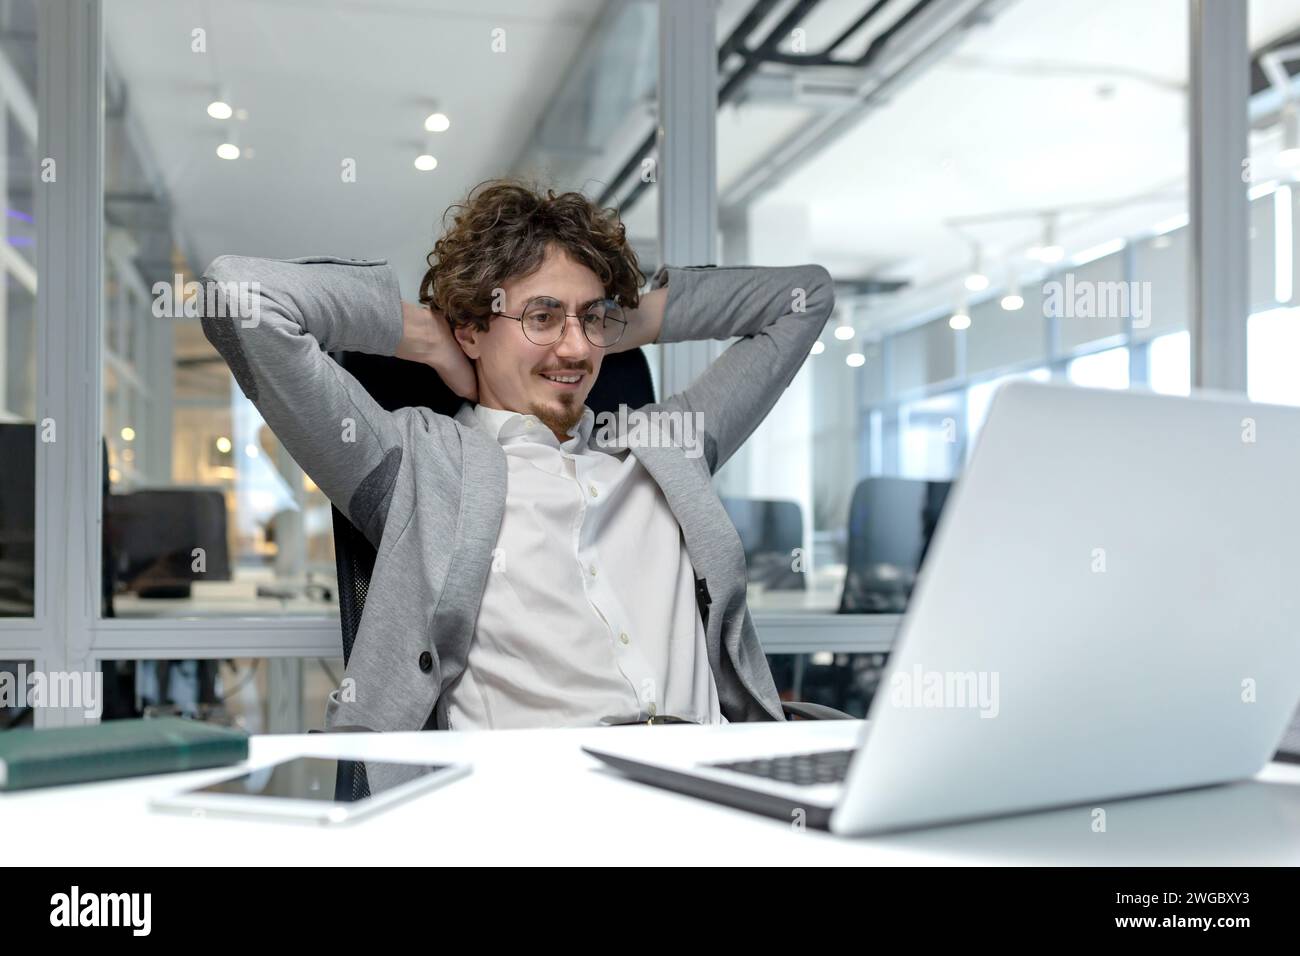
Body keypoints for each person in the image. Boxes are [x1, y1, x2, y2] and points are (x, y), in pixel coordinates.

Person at [199, 177, 834, 731]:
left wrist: (630, 322)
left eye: (591, 318)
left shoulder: (664, 446)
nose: (576, 350)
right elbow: (236, 296)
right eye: (542, 317)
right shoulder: (414, 464)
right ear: (474, 327)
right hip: (530, 817)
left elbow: (804, 299)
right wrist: (430, 336)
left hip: (711, 796)